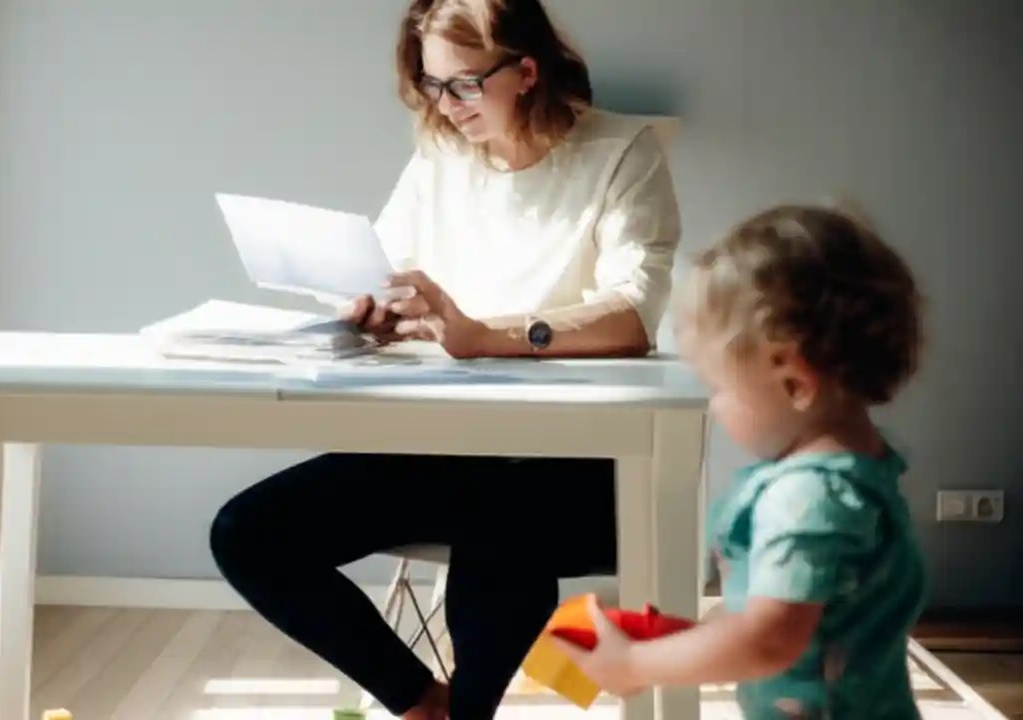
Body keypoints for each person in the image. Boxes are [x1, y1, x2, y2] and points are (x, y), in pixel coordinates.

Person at [209, 0, 682, 717]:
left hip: (581, 464)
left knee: (500, 527)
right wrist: (368, 308)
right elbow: (390, 272)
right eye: (432, 85)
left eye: (464, 83)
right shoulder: (440, 160)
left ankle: (466, 712)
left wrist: (486, 334)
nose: (446, 105)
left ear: (525, 71)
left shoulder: (622, 150)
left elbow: (632, 314)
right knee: (247, 534)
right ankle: (423, 704)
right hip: (448, 444)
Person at [553, 204, 929, 719]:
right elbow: (804, 620)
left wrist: (637, 664)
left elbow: (770, 639)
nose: (713, 405)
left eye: (719, 387)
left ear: (795, 380)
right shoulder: (861, 473)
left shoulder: (808, 498)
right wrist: (679, 641)